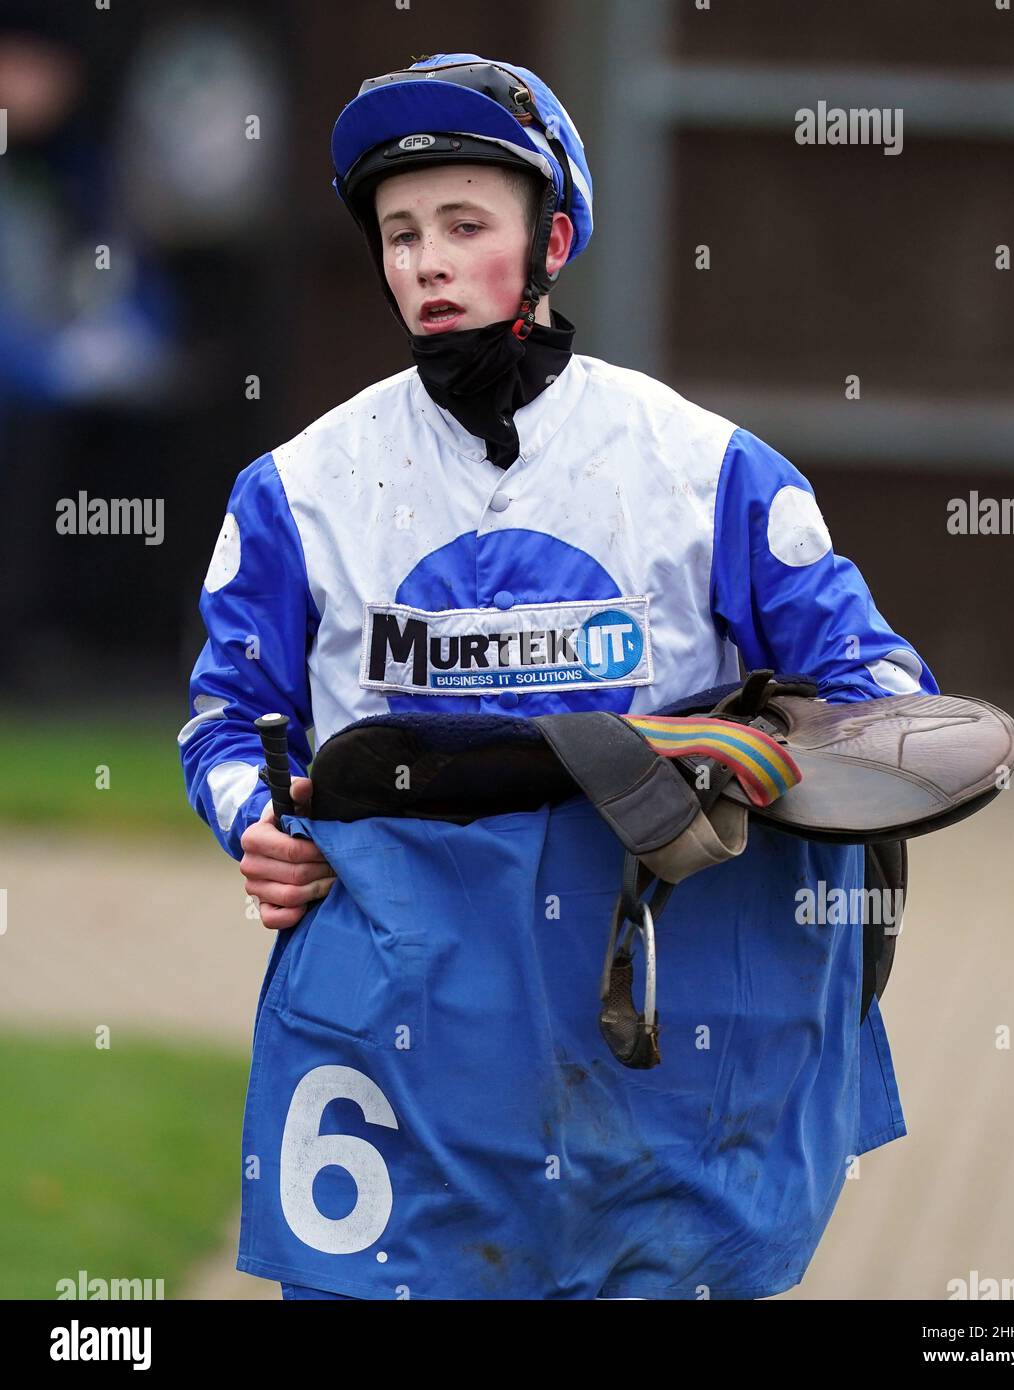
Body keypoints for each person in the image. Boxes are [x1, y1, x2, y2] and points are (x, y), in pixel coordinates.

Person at [179, 53, 938, 1301]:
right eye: (399, 232)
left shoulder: (710, 468)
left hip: (657, 1027)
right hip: (406, 1032)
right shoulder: (294, 489)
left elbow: (874, 686)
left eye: (464, 226)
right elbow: (229, 718)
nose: (424, 261)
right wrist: (257, 821)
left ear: (555, 239)